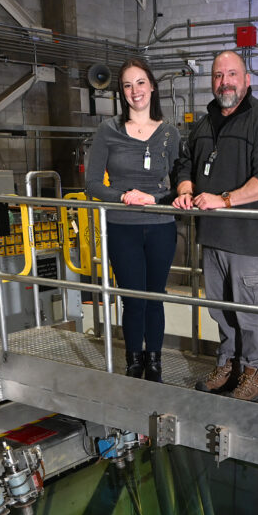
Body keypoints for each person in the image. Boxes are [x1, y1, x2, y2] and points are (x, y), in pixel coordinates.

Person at [173, 50, 258, 401]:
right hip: (212, 235)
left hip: (247, 236)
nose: (224, 82)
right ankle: (229, 365)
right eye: (218, 76)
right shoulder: (205, 123)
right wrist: (185, 189)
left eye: (231, 74)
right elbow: (185, 162)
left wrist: (224, 200)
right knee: (220, 309)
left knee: (248, 312)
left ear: (247, 80)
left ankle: (254, 372)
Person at [84, 57, 181, 381]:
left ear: (152, 86)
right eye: (127, 85)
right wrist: (123, 196)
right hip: (122, 227)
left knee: (154, 298)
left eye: (140, 82)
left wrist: (155, 198)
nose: (134, 90)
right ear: (121, 92)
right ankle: (133, 361)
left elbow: (181, 183)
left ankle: (154, 363)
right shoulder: (108, 130)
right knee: (133, 299)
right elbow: (92, 183)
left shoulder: (169, 133)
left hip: (160, 226)